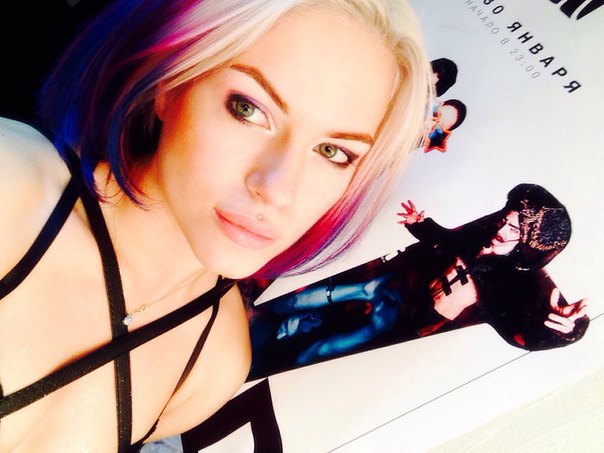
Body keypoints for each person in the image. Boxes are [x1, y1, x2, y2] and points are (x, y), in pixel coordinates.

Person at [0, 0, 432, 451]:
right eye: (248, 109)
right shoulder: (11, 186)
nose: (278, 189)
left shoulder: (212, 363)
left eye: (332, 152)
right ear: (171, 83)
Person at [247, 184, 588, 378]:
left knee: (323, 348)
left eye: (514, 228)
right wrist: (419, 224)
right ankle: (259, 322)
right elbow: (447, 240)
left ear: (528, 243)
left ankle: (265, 355)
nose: (502, 228)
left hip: (404, 321)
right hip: (392, 285)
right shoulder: (482, 234)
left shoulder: (512, 283)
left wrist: (567, 330)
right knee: (303, 299)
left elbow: (520, 330)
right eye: (505, 219)